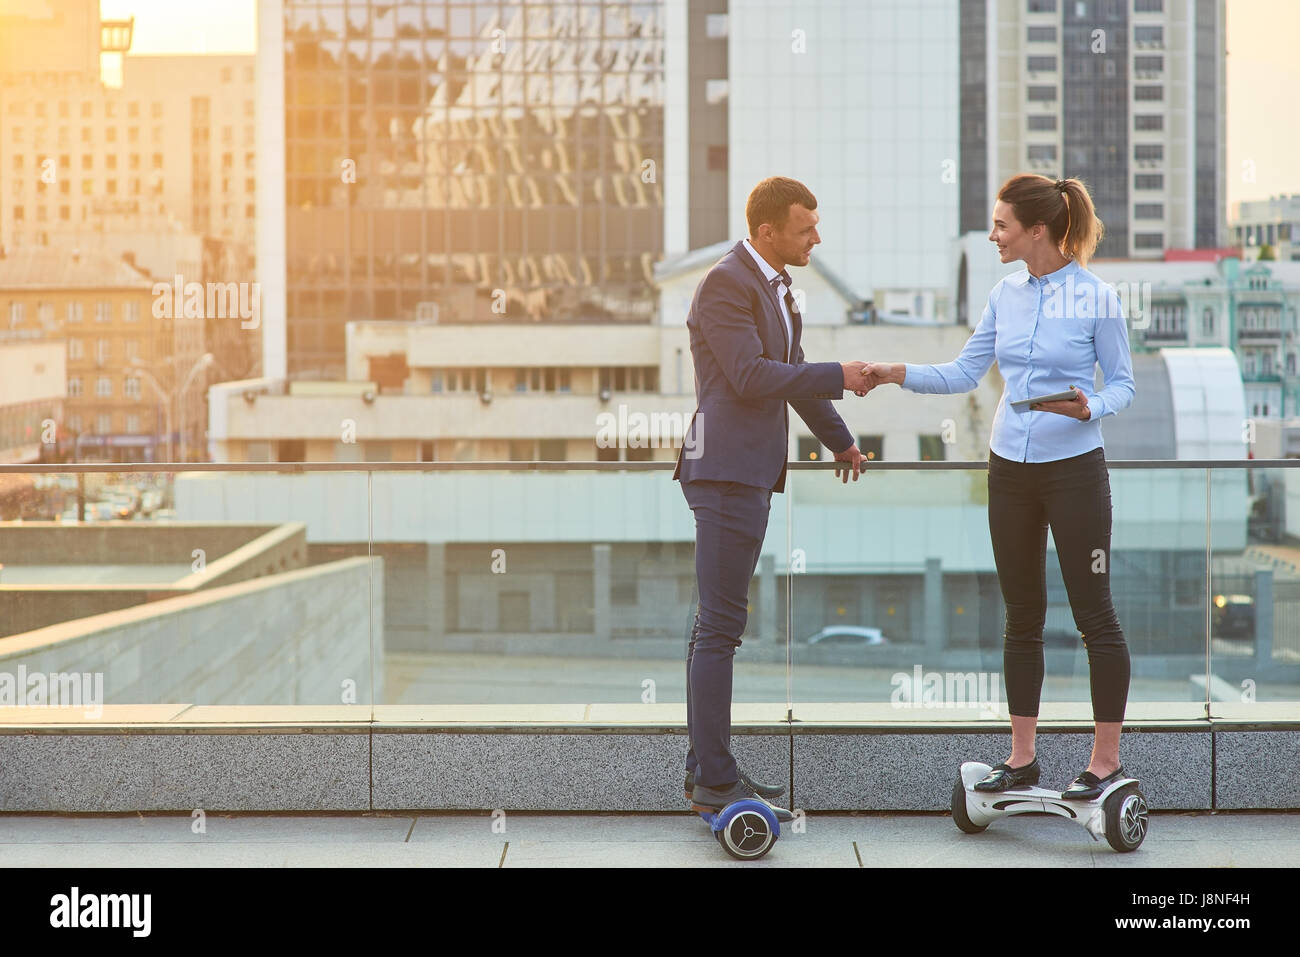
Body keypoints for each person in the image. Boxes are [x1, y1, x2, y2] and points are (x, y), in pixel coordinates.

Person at [858, 174, 1136, 800]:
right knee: (1021, 617)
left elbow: (1123, 383)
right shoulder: (1003, 295)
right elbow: (962, 372)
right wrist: (890, 372)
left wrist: (1089, 405)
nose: (993, 236)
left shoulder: (1096, 298)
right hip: (1009, 470)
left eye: (1002, 226)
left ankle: (1104, 762)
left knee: (1096, 616)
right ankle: (1022, 757)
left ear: (1037, 230)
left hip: (1076, 473)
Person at [673, 176, 869, 817]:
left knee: (717, 625)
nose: (817, 236)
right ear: (767, 231)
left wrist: (839, 440)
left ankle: (707, 772)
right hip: (726, 470)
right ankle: (715, 780)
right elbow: (753, 377)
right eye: (805, 226)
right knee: (721, 627)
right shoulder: (728, 282)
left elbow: (794, 376)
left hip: (746, 472)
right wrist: (840, 375)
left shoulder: (778, 290)